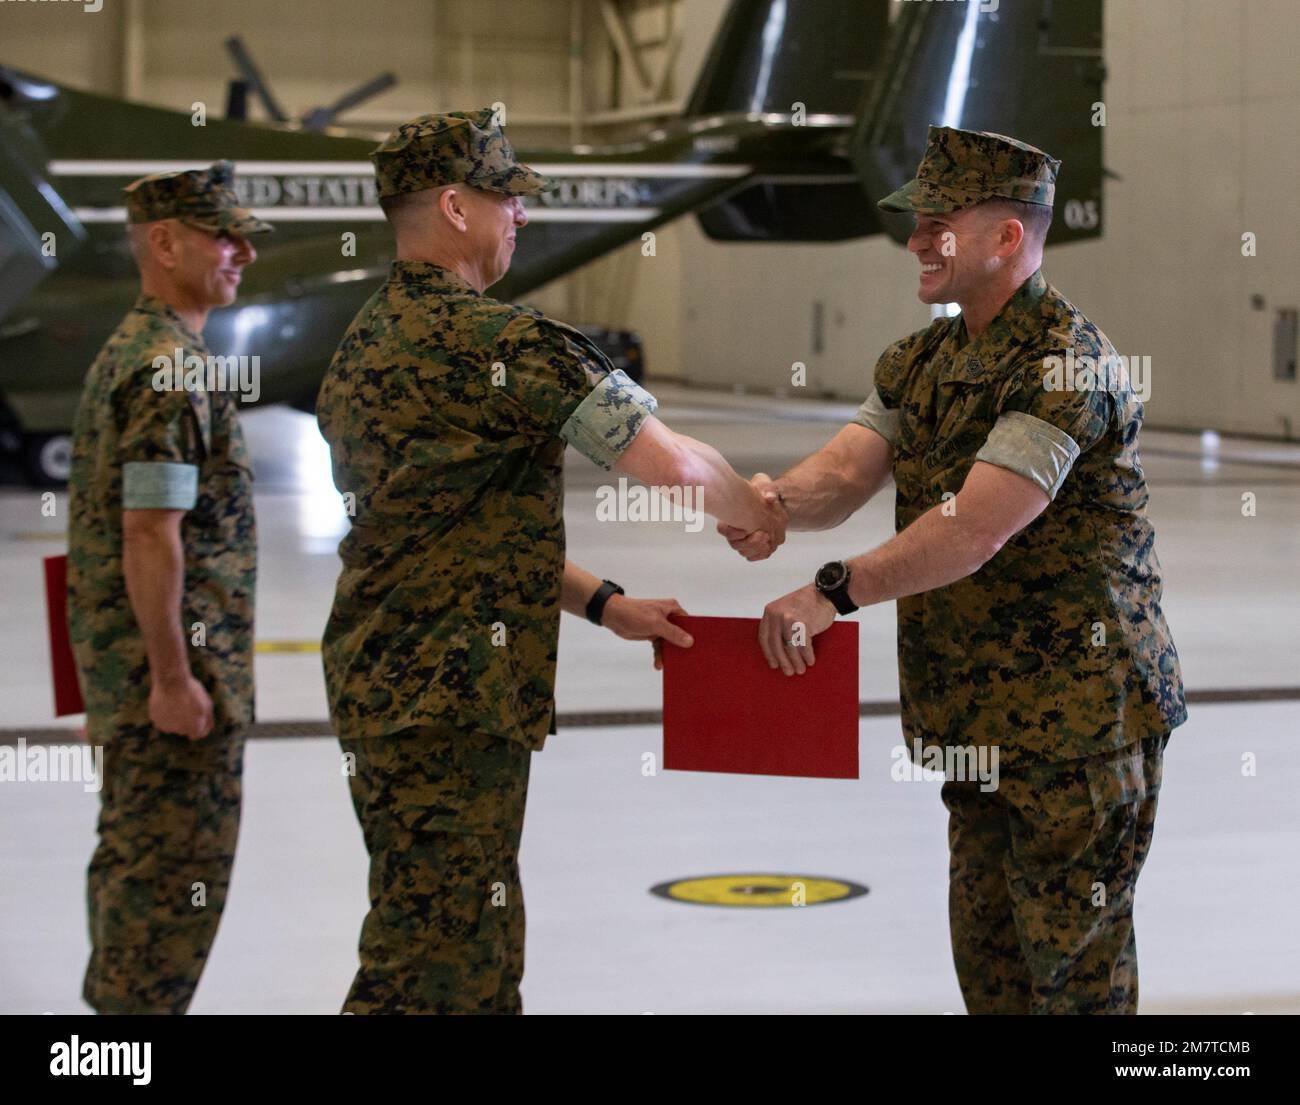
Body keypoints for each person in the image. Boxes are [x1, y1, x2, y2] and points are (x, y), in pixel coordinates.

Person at [317, 109, 785, 1014]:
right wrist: (756, 512)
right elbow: (676, 465)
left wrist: (609, 604)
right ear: (456, 207)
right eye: (507, 198)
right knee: (430, 971)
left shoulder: (360, 351)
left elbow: (442, 536)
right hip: (456, 705)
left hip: (388, 689)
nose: (521, 216)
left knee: (471, 950)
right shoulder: (504, 346)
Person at [721, 126, 1187, 1014]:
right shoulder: (921, 361)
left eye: (938, 222)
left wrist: (832, 592)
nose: (914, 241)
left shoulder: (1066, 362)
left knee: (1074, 988)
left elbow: (975, 528)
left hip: (1079, 729)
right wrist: (772, 501)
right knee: (994, 980)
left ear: (1008, 236)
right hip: (976, 729)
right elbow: (848, 471)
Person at [66, 162, 270, 1013]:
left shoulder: (142, 351)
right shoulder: (168, 370)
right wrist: (171, 678)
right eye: (224, 234)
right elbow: (149, 532)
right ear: (165, 241)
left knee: (136, 878)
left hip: (143, 681)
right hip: (176, 695)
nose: (243, 253)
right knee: (163, 900)